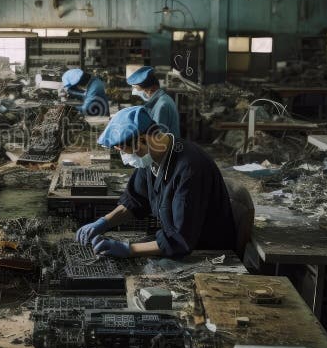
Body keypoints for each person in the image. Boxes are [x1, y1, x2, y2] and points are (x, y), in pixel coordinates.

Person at [76, 106, 235, 258]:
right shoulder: (152, 159)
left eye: (125, 152)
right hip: (177, 245)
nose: (126, 159)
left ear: (143, 140)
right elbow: (135, 200)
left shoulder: (190, 169)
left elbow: (181, 240)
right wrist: (103, 222)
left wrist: (128, 249)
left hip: (206, 252)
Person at [127, 66, 180, 138]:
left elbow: (157, 138)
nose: (137, 92)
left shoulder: (162, 105)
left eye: (138, 89)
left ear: (151, 89)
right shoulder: (161, 100)